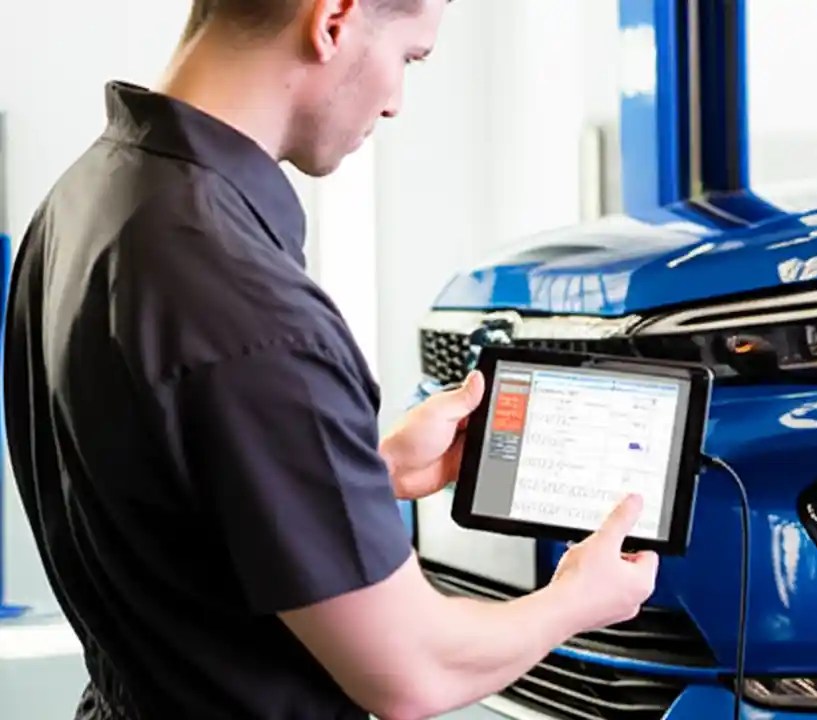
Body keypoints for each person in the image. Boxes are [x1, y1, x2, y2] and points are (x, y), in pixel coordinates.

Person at [2, 1, 659, 718]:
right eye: (409, 57)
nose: (397, 103)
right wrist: (575, 601)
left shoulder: (87, 200)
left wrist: (367, 476)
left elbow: (171, 509)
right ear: (334, 19)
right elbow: (413, 669)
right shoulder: (246, 299)